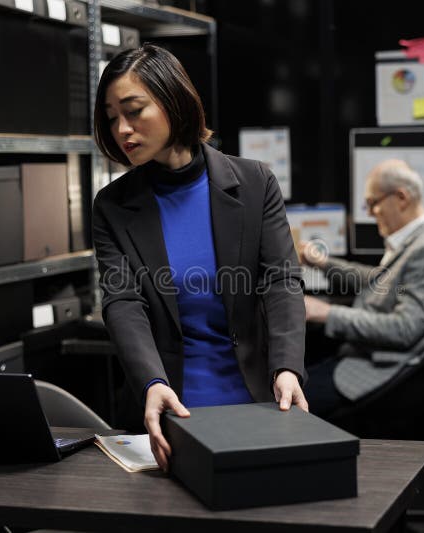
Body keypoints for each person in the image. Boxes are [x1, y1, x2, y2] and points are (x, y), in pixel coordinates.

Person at [92, 44, 307, 472]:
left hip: (259, 401)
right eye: (112, 117)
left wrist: (288, 368)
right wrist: (152, 382)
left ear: (173, 99)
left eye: (134, 111)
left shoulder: (254, 182)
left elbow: (281, 281)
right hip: (172, 407)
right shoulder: (113, 205)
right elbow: (123, 302)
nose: (122, 129)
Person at [300, 159, 424, 416]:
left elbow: (404, 329)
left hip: (373, 369)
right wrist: (322, 263)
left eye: (373, 203)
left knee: (281, 399)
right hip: (365, 355)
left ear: (401, 197)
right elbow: (384, 281)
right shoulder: (423, 239)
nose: (370, 213)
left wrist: (324, 313)